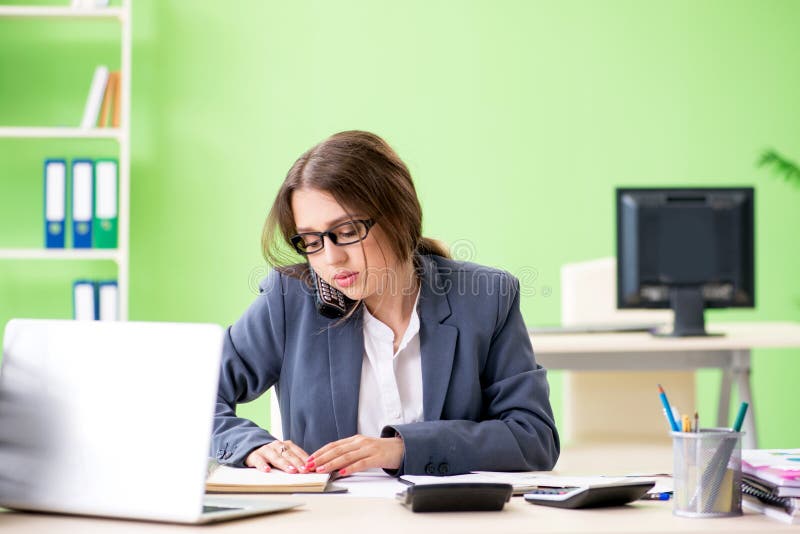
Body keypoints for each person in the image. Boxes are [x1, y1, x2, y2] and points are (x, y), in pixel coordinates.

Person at [212, 130, 559, 477]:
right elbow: (192, 396)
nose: (331, 258)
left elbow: (533, 437)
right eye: (310, 240)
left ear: (398, 215)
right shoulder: (289, 299)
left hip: (451, 520)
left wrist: (402, 448)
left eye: (347, 232)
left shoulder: (486, 298)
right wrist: (249, 444)